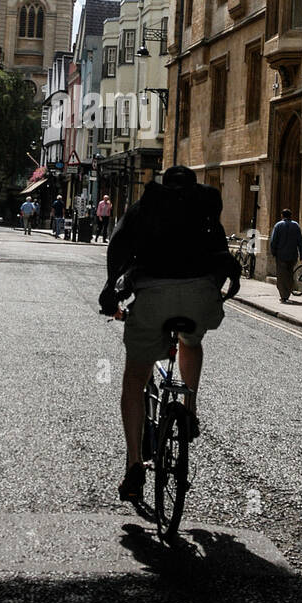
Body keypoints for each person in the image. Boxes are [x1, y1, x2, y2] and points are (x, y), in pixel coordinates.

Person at [99, 165, 240, 503]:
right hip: (200, 296)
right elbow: (222, 256)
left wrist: (110, 292)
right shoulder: (206, 209)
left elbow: (118, 247)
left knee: (134, 378)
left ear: (163, 185)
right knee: (192, 341)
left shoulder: (146, 207)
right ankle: (189, 411)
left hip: (153, 295)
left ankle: (134, 464)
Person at [269, 208, 302, 303]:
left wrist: (273, 252)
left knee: (281, 276)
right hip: (293, 255)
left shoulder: (278, 225)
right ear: (290, 216)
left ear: (282, 215)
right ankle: (287, 293)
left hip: (281, 255)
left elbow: (273, 241)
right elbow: (300, 241)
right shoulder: (296, 225)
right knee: (289, 275)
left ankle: (283, 295)